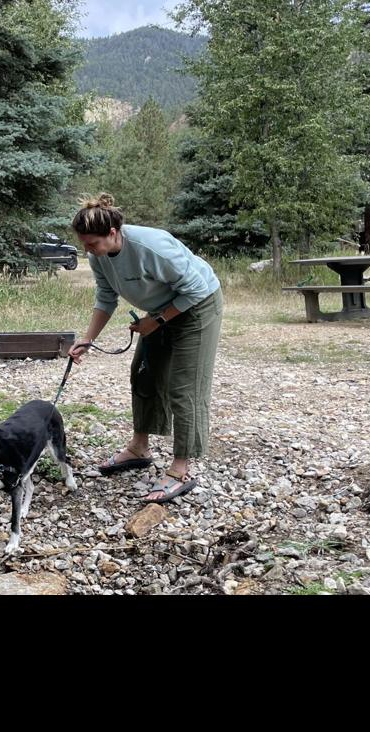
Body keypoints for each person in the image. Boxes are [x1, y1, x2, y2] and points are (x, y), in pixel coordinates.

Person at [66, 193, 222, 504]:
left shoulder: (153, 246)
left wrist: (158, 320)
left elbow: (196, 289)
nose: (88, 251)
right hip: (160, 312)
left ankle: (180, 469)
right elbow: (106, 297)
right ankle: (140, 448)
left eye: (92, 244)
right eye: (84, 244)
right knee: (144, 376)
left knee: (185, 388)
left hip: (197, 308)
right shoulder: (99, 256)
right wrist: (89, 338)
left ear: (112, 234)